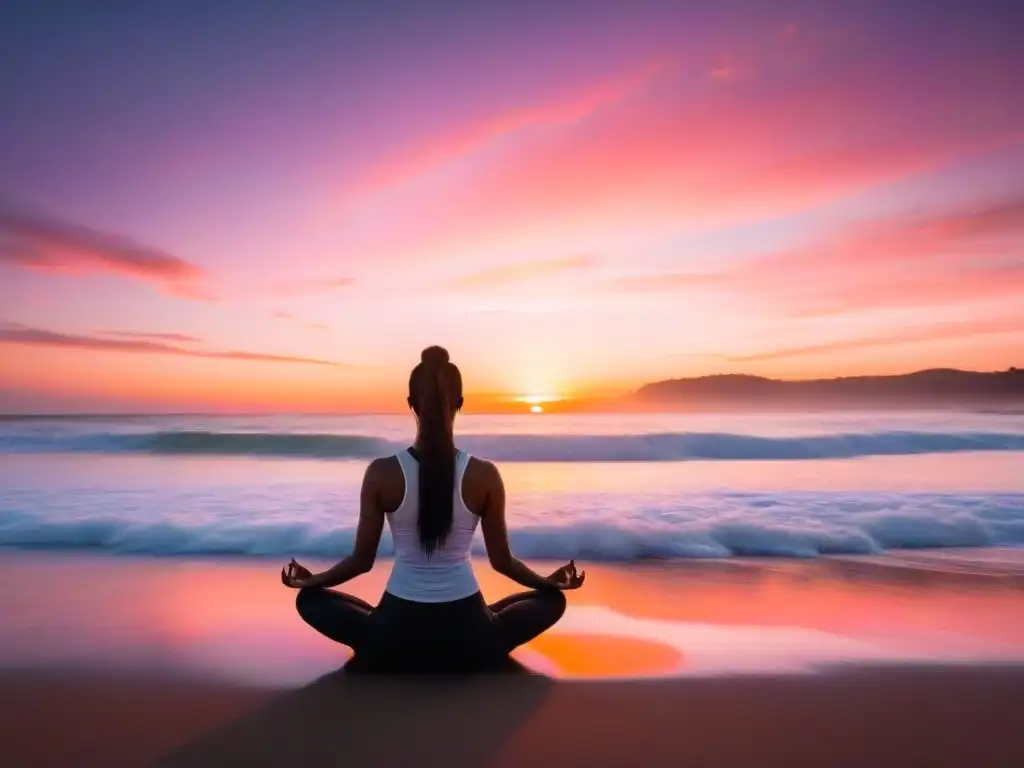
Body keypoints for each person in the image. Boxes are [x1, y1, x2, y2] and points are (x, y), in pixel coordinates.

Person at [280, 345, 585, 673]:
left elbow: (361, 563)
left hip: (392, 639)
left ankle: (383, 641)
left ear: (411, 404)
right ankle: (480, 634)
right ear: (460, 403)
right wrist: (546, 582)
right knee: (551, 600)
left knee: (310, 600)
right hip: (473, 640)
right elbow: (502, 563)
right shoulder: (484, 475)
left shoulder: (383, 473)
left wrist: (313, 582)